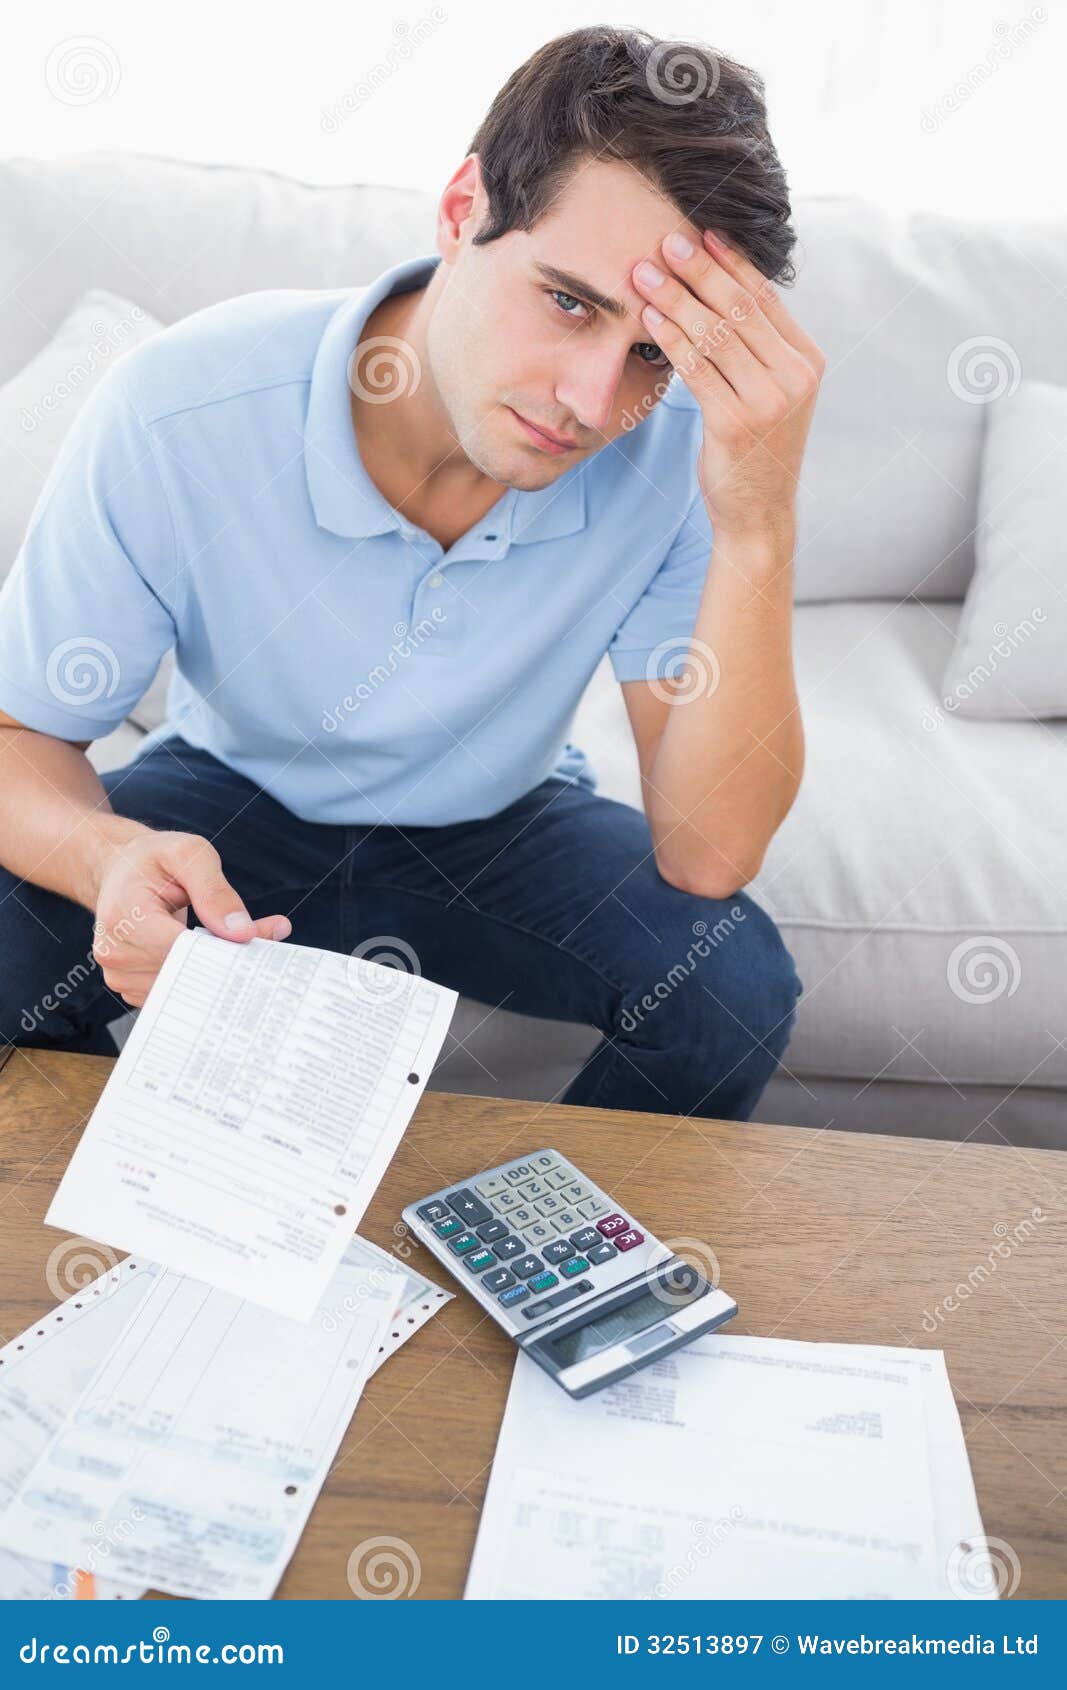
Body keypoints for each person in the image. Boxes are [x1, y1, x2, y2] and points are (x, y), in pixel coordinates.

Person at [0, 25, 824, 1121]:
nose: (588, 400)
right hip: (230, 794)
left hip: (498, 824)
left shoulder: (681, 460)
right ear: (460, 211)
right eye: (568, 301)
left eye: (652, 354)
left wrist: (758, 523)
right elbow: (17, 740)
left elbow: (709, 855)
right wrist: (109, 858)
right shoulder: (179, 406)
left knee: (728, 984)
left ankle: (551, 1259)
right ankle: (147, 1214)